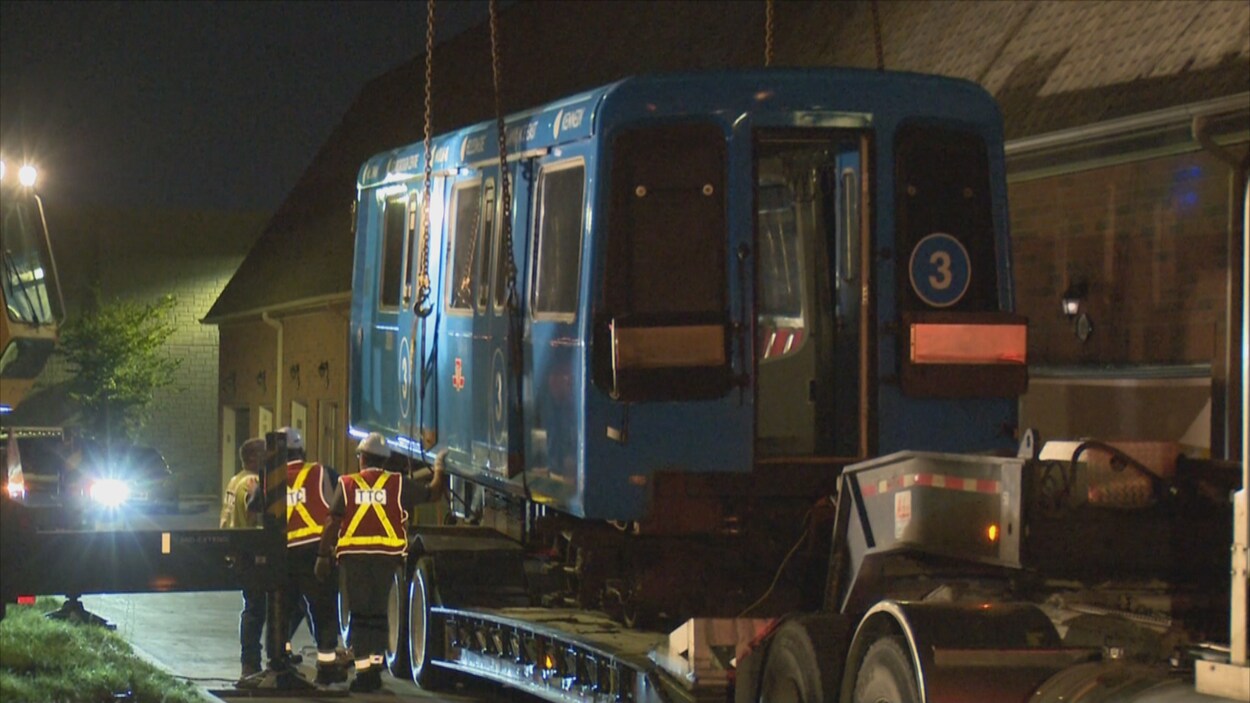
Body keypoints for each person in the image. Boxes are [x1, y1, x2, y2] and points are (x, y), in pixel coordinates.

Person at [315, 433, 445, 693]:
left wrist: (322, 555)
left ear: (362, 458)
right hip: (387, 559)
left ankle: (364, 673)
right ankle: (374, 669)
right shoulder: (398, 484)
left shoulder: (348, 483)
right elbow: (433, 493)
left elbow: (332, 521)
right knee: (378, 614)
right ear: (385, 460)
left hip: (355, 560)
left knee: (360, 616)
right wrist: (440, 467)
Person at [271, 426, 347, 685]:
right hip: (316, 553)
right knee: (323, 610)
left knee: (283, 609)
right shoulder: (322, 472)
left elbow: (254, 505)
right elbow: (341, 505)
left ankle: (280, 663)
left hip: (283, 555)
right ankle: (326, 667)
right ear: (301, 451)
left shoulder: (271, 478)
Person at [221, 437, 267, 680]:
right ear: (252, 458)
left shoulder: (234, 479)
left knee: (253, 606)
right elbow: (253, 512)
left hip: (237, 549)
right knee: (256, 609)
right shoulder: (252, 482)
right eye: (264, 453)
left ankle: (251, 663)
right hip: (252, 552)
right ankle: (250, 664)